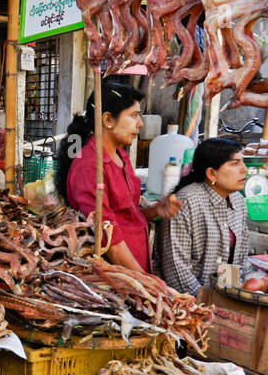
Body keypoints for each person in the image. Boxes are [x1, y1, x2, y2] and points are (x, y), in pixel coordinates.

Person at [55, 82, 181, 273]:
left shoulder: (121, 155)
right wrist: (147, 282)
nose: (140, 123)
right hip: (114, 276)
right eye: (133, 115)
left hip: (135, 269)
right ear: (108, 120)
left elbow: (125, 214)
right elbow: (107, 236)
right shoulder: (90, 166)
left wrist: (156, 210)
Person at [155, 137, 250, 296]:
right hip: (183, 300)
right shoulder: (185, 202)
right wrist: (206, 300)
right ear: (211, 173)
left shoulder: (238, 202)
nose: (244, 169)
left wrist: (228, 297)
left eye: (243, 162)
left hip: (219, 300)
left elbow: (235, 261)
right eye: (235, 163)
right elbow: (176, 271)